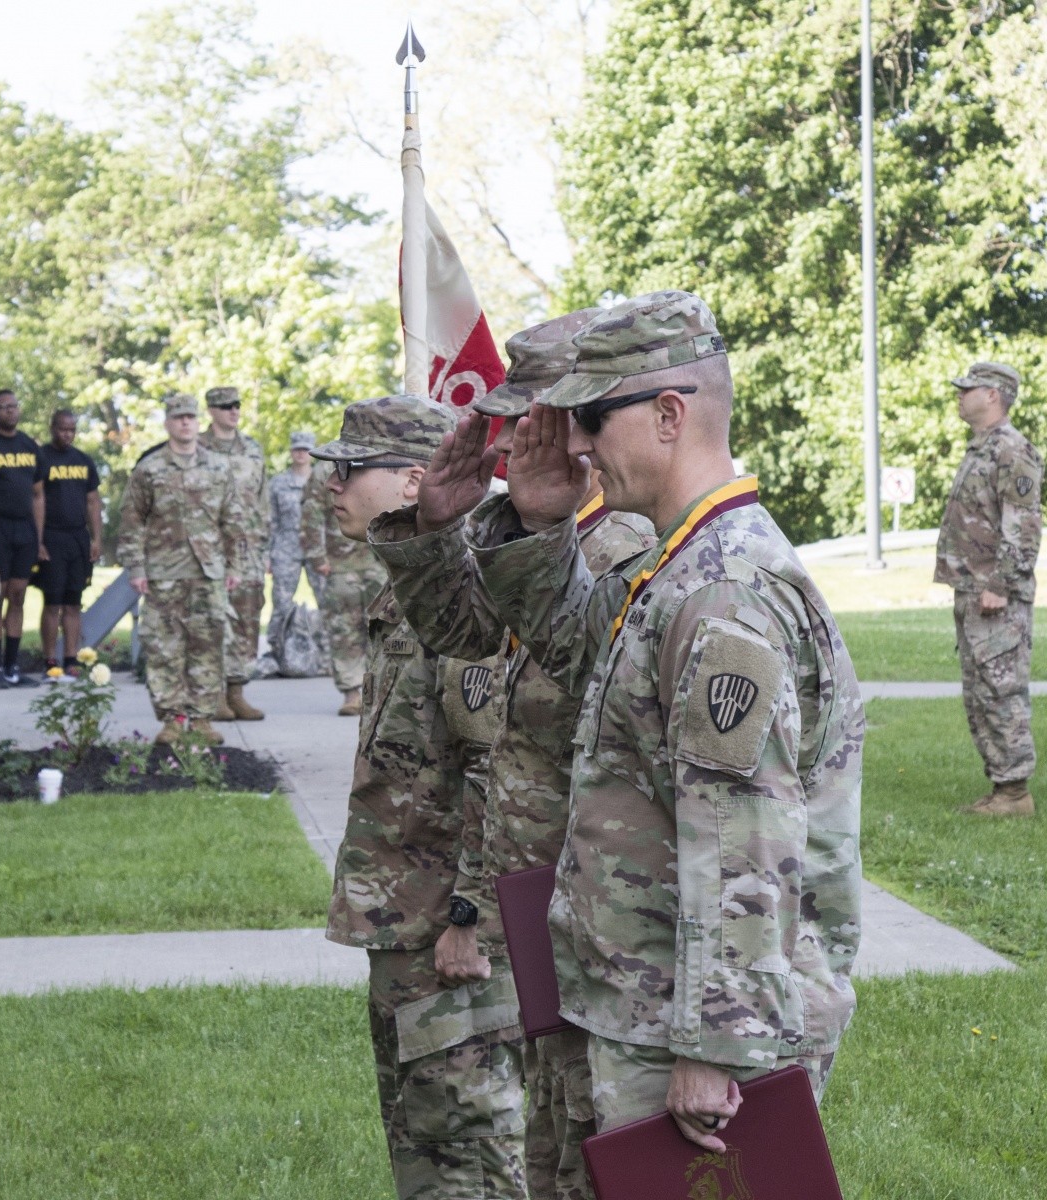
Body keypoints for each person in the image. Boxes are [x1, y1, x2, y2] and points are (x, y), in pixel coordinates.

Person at [422, 290, 864, 1150]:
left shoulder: (724, 591)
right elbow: (574, 654)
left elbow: (742, 834)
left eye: (591, 416)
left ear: (668, 414)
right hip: (645, 999)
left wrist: (716, 1048)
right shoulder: (678, 567)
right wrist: (544, 522)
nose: (577, 443)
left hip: (683, 1030)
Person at [368, 310, 655, 1200]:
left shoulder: (627, 543)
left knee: (600, 1147)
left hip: (607, 902)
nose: (495, 442)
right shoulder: (529, 531)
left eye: (517, 421)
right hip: (541, 898)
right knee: (552, 1143)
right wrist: (435, 532)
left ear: (571, 424)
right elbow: (463, 640)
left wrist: (469, 912)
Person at [313, 394, 530, 1200]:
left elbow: (495, 765)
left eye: (347, 468)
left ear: (414, 481)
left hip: (449, 929)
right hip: (407, 919)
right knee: (420, 1140)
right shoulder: (402, 592)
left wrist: (471, 920)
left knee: (466, 1147)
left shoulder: (459, 599)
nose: (330, 484)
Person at [934, 361, 1044, 816]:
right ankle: (1002, 788)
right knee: (980, 691)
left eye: (968, 388)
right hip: (974, 590)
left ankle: (1015, 793)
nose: (960, 395)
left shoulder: (1012, 450)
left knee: (1000, 689)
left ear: (994, 395)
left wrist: (1001, 583)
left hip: (995, 594)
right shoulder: (983, 448)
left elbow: (1023, 525)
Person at [117, 393, 246, 746]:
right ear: (168, 423)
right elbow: (132, 522)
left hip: (209, 573)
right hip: (163, 573)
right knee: (163, 647)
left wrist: (235, 564)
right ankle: (173, 718)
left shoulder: (219, 468)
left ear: (197, 421)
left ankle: (203, 718)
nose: (185, 422)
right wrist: (136, 567)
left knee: (208, 644)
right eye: (178, 417)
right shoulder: (150, 469)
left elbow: (232, 520)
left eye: (190, 416)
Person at [301, 433, 390, 716]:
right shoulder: (321, 474)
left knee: (382, 628)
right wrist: (317, 556)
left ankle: (380, 689)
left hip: (377, 562)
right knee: (344, 631)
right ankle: (351, 693)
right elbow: (311, 516)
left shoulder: (375, 466)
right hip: (340, 564)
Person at [203, 386, 268, 721]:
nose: (233, 411)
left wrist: (264, 547)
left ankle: (237, 692)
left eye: (237, 405)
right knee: (214, 619)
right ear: (211, 410)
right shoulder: (197, 448)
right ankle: (213, 694)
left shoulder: (252, 448)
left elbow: (262, 500)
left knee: (247, 621)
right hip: (211, 550)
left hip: (249, 550)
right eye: (226, 406)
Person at [0, 387, 41, 688]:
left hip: (24, 529)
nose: (9, 411)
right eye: (2, 407)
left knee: (18, 595)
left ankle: (14, 667)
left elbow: (39, 495)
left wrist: (38, 538)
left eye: (13, 406)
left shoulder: (29, 446)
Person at [33, 408, 103, 676]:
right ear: (53, 428)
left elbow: (93, 502)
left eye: (72, 429)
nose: (67, 434)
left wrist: (96, 538)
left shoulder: (84, 461)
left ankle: (71, 659)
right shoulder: (42, 458)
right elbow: (35, 499)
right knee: (52, 602)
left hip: (78, 538)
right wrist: (38, 542)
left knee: (74, 602)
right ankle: (50, 661)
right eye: (63, 429)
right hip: (52, 537)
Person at [268, 429, 319, 630]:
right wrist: (268, 554)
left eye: (306, 449)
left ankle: (327, 656)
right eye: (297, 449)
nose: (301, 453)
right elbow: (271, 520)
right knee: (281, 604)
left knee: (328, 603)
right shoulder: (278, 483)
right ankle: (277, 652)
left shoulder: (323, 482)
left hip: (317, 548)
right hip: (285, 548)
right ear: (291, 452)